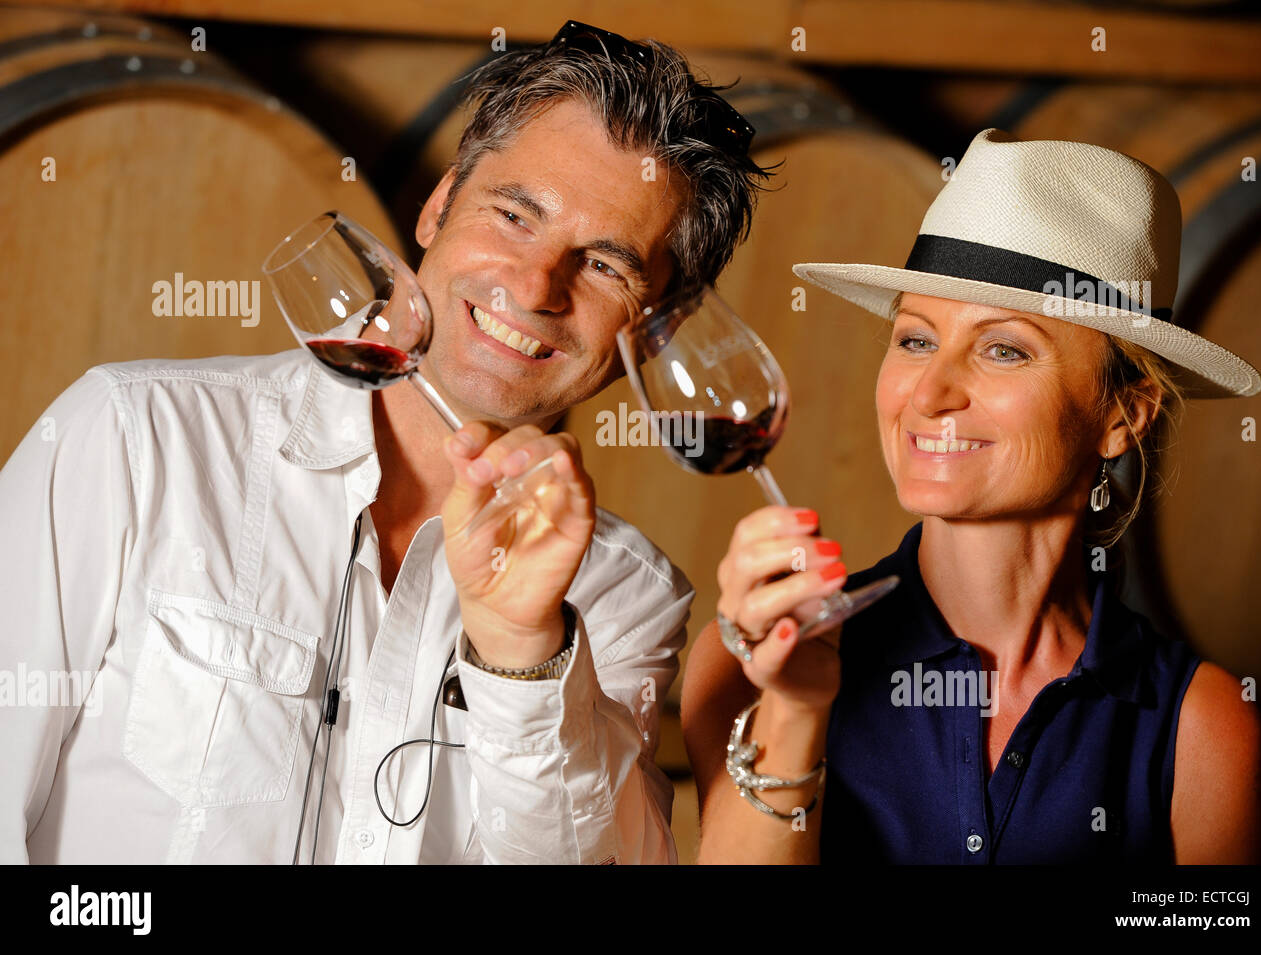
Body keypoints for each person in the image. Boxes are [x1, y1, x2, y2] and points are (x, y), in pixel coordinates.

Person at [0, 20, 772, 864]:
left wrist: (523, 652)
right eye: (514, 214)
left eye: (604, 266)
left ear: (658, 331)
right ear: (439, 208)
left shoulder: (625, 597)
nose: (535, 284)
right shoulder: (136, 438)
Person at [681, 129, 1261, 864]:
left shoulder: (1200, 721)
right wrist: (796, 708)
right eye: (916, 340)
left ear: (1124, 416)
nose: (930, 394)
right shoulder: (750, 657)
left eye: (1004, 349)